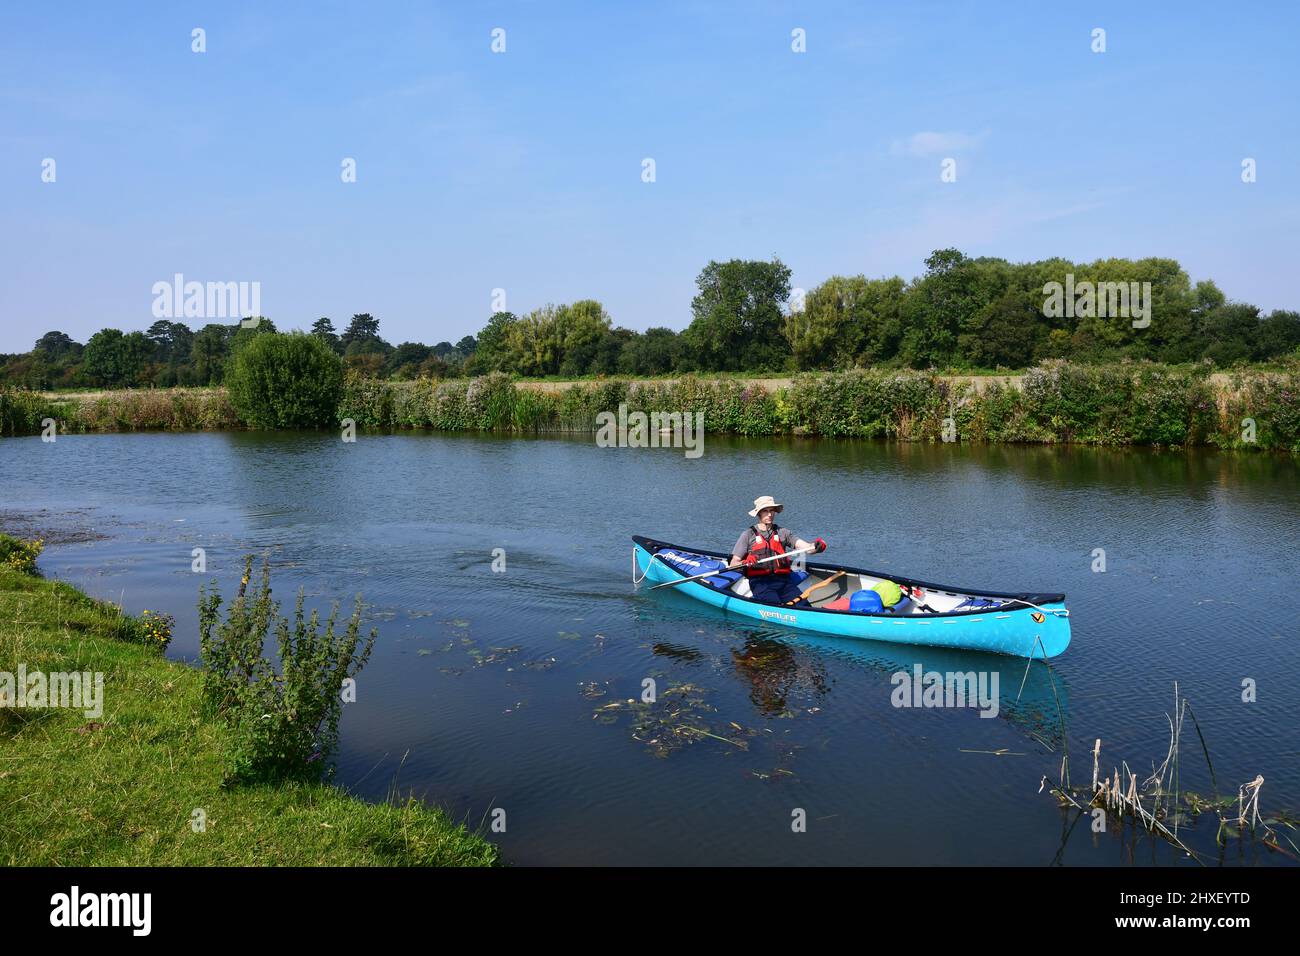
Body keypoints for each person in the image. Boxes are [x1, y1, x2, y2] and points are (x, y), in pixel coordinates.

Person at [728, 496, 827, 607]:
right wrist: (744, 563)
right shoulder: (748, 535)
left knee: (805, 606)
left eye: (772, 511)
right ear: (758, 513)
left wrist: (817, 547)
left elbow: (807, 548)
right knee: (774, 604)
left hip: (783, 581)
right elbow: (733, 563)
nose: (770, 514)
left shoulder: (783, 533)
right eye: (765, 511)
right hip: (760, 583)